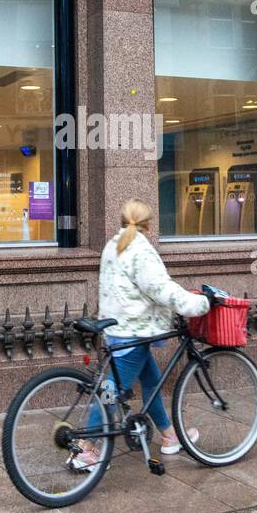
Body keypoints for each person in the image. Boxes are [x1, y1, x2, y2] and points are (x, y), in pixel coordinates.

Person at [70, 198, 211, 470]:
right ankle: (85, 450)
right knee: (110, 391)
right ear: (149, 223)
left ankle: (169, 436)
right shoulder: (140, 251)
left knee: (151, 381)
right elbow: (161, 289)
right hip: (133, 333)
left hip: (118, 330)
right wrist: (199, 304)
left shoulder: (113, 245)